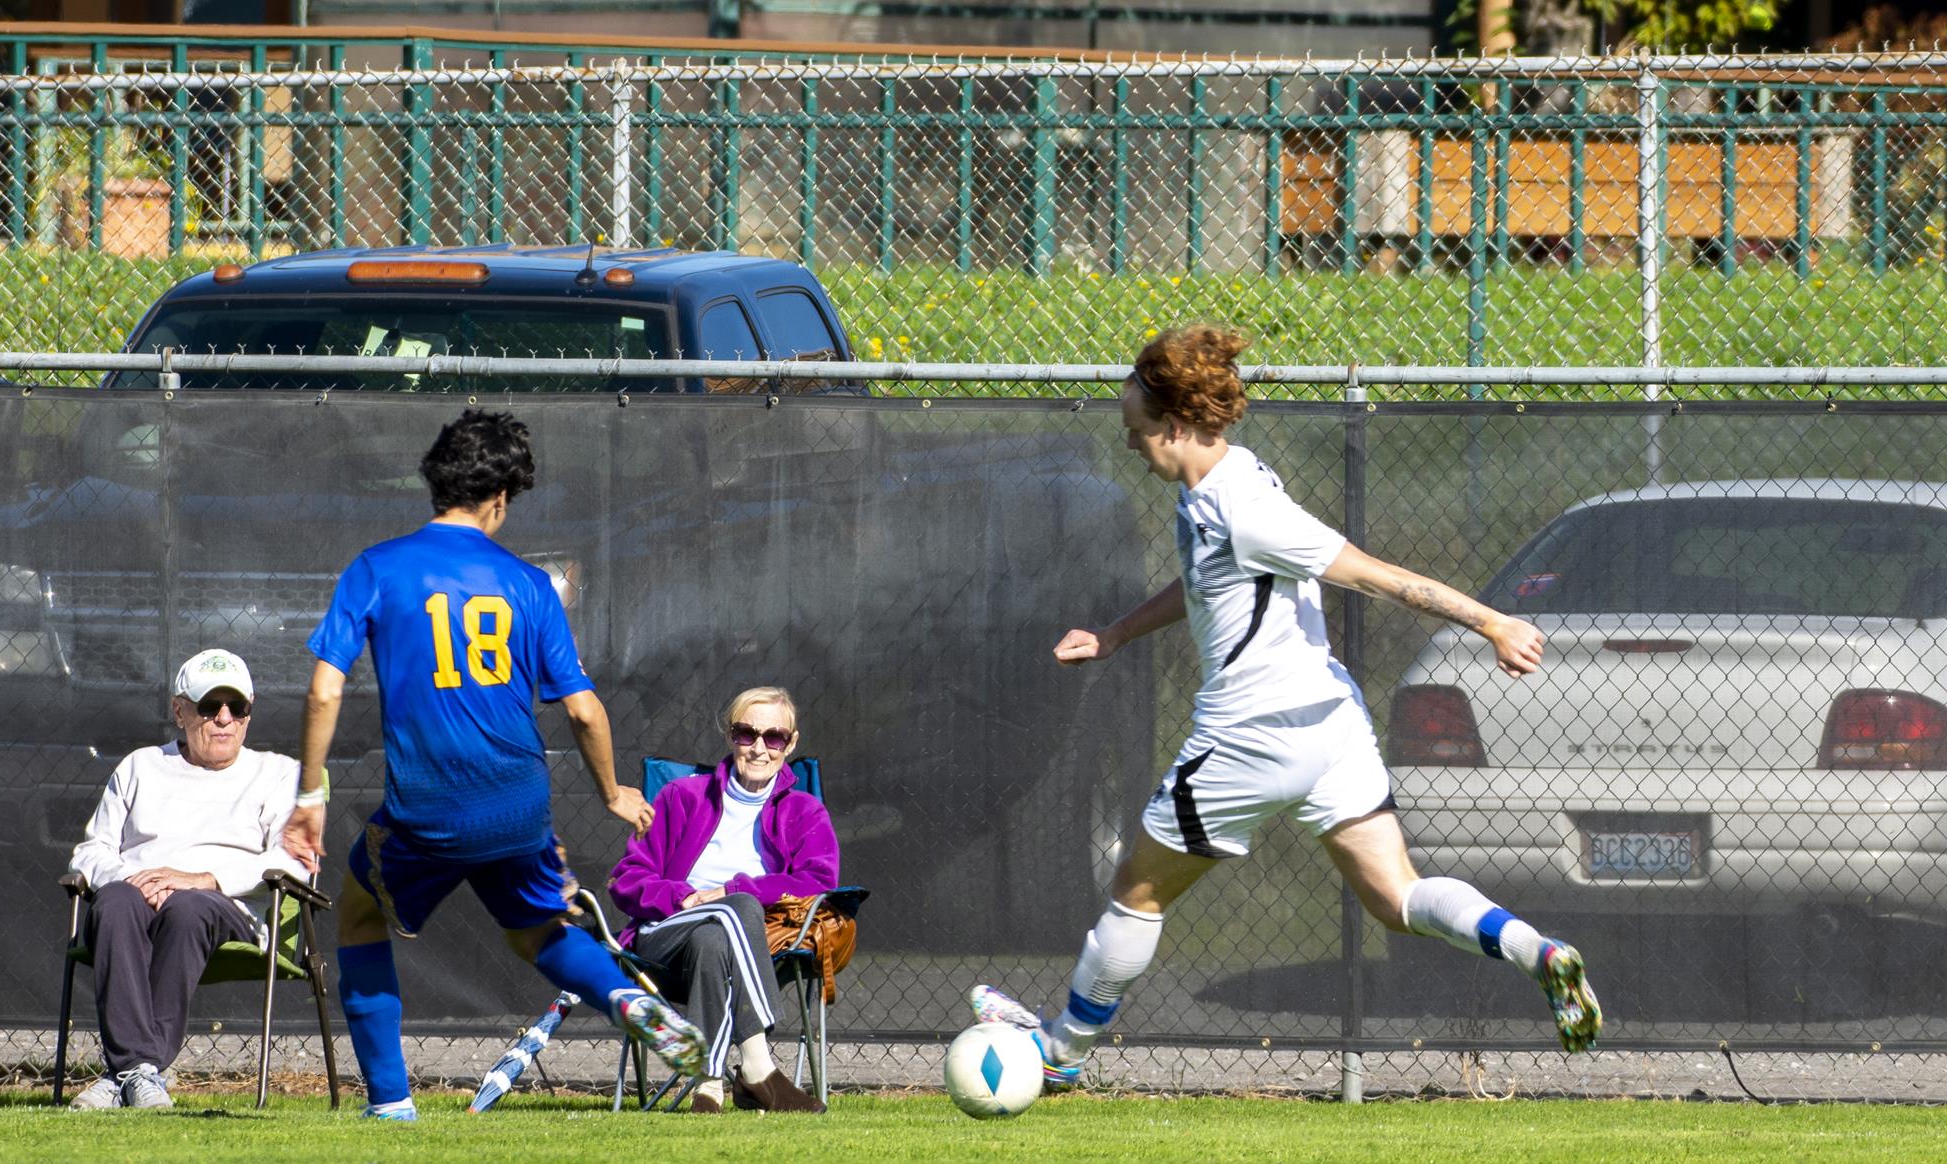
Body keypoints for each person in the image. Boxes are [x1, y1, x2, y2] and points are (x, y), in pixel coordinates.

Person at [972, 325, 1601, 1084]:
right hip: (1330, 730)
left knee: (1135, 892)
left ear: (1175, 426)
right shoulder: (1219, 486)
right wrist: (1115, 635)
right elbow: (1205, 583)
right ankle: (1537, 951)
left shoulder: (1244, 508)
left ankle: (1062, 1051)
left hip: (1248, 735)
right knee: (1396, 897)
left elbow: (1373, 575)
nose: (1132, 447)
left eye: (1137, 433)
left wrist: (1493, 622)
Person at [280, 409, 704, 1121]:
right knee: (535, 930)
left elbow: (325, 688)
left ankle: (389, 1104)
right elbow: (584, 712)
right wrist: (612, 793)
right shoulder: (530, 585)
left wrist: (310, 793)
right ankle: (625, 996)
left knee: (358, 912)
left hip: (429, 806)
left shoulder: (378, 567)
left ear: (434, 484)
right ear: (501, 499)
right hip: (518, 802)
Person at [67, 648, 309, 1110]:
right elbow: (91, 850)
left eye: (236, 708)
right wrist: (136, 879)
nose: (223, 719)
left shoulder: (278, 773)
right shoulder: (140, 766)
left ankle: (124, 1073)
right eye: (208, 706)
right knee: (114, 902)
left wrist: (204, 878)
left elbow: (296, 861)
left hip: (228, 908)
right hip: (138, 897)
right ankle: (141, 1075)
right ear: (179, 711)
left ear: (248, 714)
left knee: (188, 905)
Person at [609, 687, 835, 1113]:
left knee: (718, 934)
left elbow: (819, 881)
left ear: (792, 743)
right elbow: (626, 880)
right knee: (740, 907)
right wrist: (686, 897)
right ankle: (758, 1066)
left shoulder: (805, 811)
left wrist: (729, 893)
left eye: (774, 737)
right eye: (747, 733)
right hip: (666, 937)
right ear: (730, 736)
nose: (759, 748)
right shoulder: (682, 796)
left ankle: (709, 1083)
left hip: (752, 948)